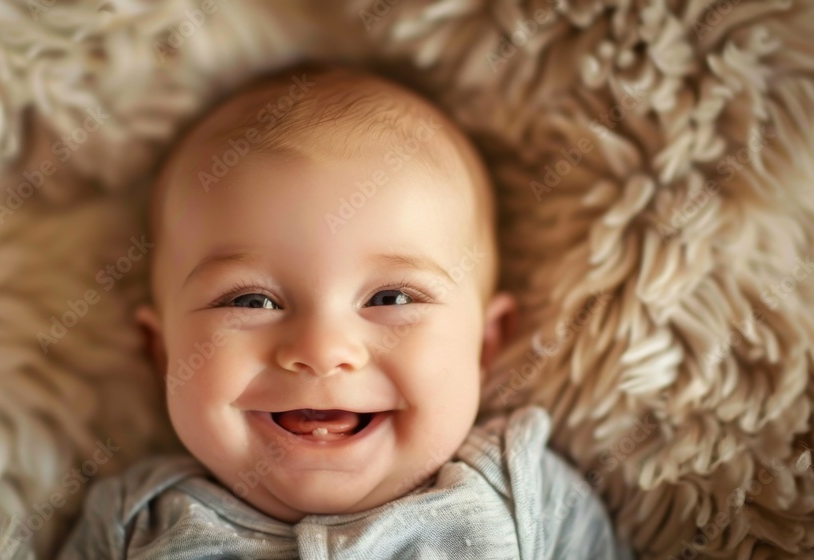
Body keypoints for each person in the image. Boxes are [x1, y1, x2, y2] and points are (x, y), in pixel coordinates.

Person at [58, 64, 633, 559]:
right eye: (251, 301)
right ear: (165, 351)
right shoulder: (135, 520)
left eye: (391, 299)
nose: (321, 350)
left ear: (483, 345)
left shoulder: (523, 495)